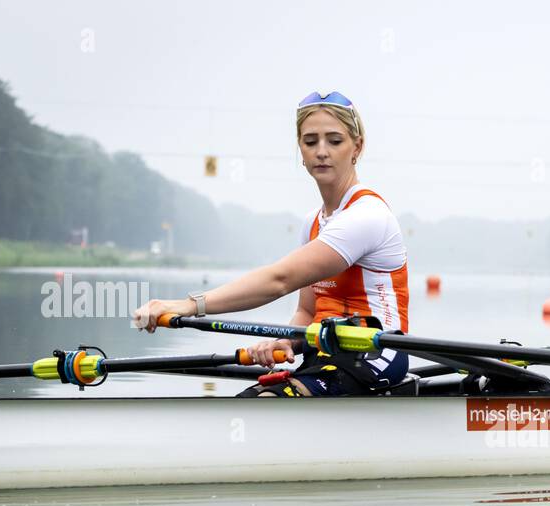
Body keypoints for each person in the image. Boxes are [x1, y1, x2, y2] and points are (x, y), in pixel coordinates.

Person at [132, 91, 411, 396]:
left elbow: (280, 280)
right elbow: (307, 311)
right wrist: (286, 341)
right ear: (300, 150)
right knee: (252, 400)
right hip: (325, 353)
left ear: (357, 146)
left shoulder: (367, 215)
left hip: (376, 355)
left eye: (334, 141)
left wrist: (187, 305)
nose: (321, 151)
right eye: (310, 141)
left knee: (262, 403)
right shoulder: (313, 222)